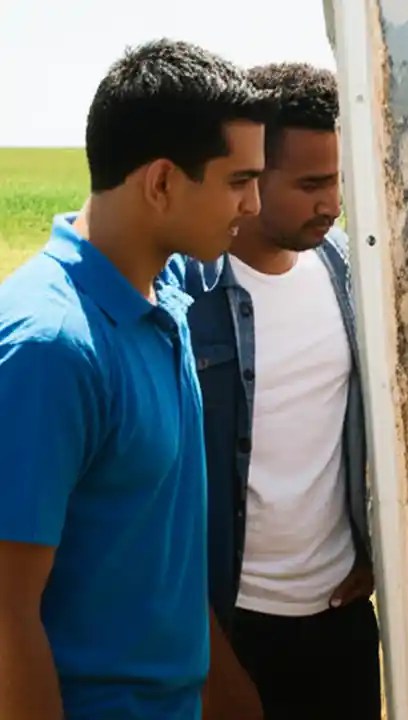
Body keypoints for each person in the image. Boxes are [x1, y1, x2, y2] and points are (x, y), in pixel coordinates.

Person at [0, 39, 271, 719]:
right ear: (160, 183)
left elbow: (147, 541)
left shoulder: (162, 293)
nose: (254, 203)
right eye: (239, 180)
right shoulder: (51, 348)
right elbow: (5, 615)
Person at [170, 62, 382, 719]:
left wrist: (377, 551)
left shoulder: (352, 272)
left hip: (342, 622)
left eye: (339, 179)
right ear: (251, 175)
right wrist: (206, 652)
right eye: (312, 183)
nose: (333, 203)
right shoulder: (185, 295)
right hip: (234, 629)